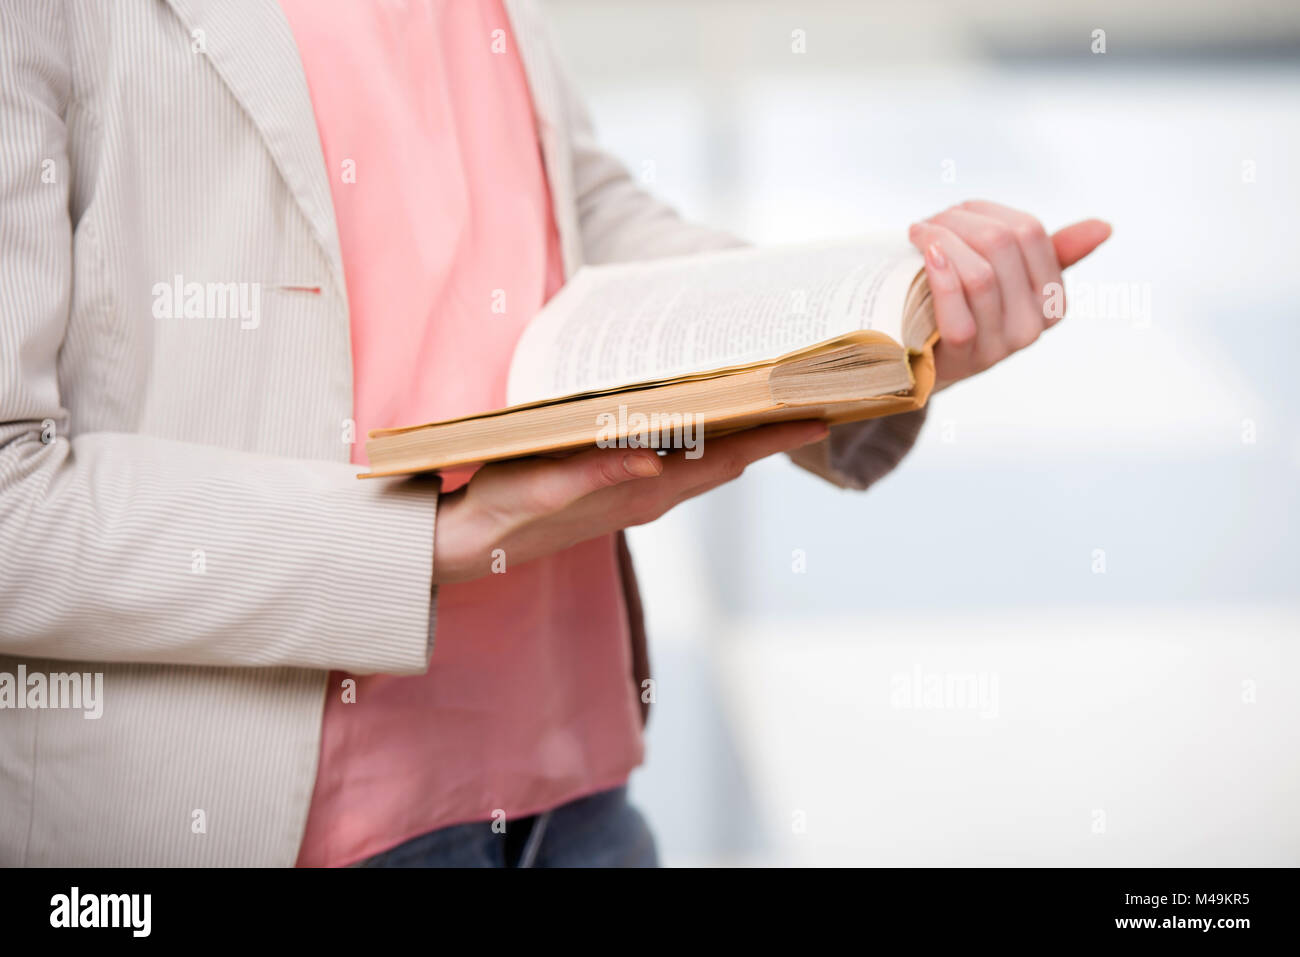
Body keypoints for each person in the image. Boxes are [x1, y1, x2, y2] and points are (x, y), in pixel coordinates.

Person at [0, 0, 1109, 867]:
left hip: (569, 795)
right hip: (264, 828)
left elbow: (575, 207)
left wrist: (863, 332)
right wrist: (440, 532)